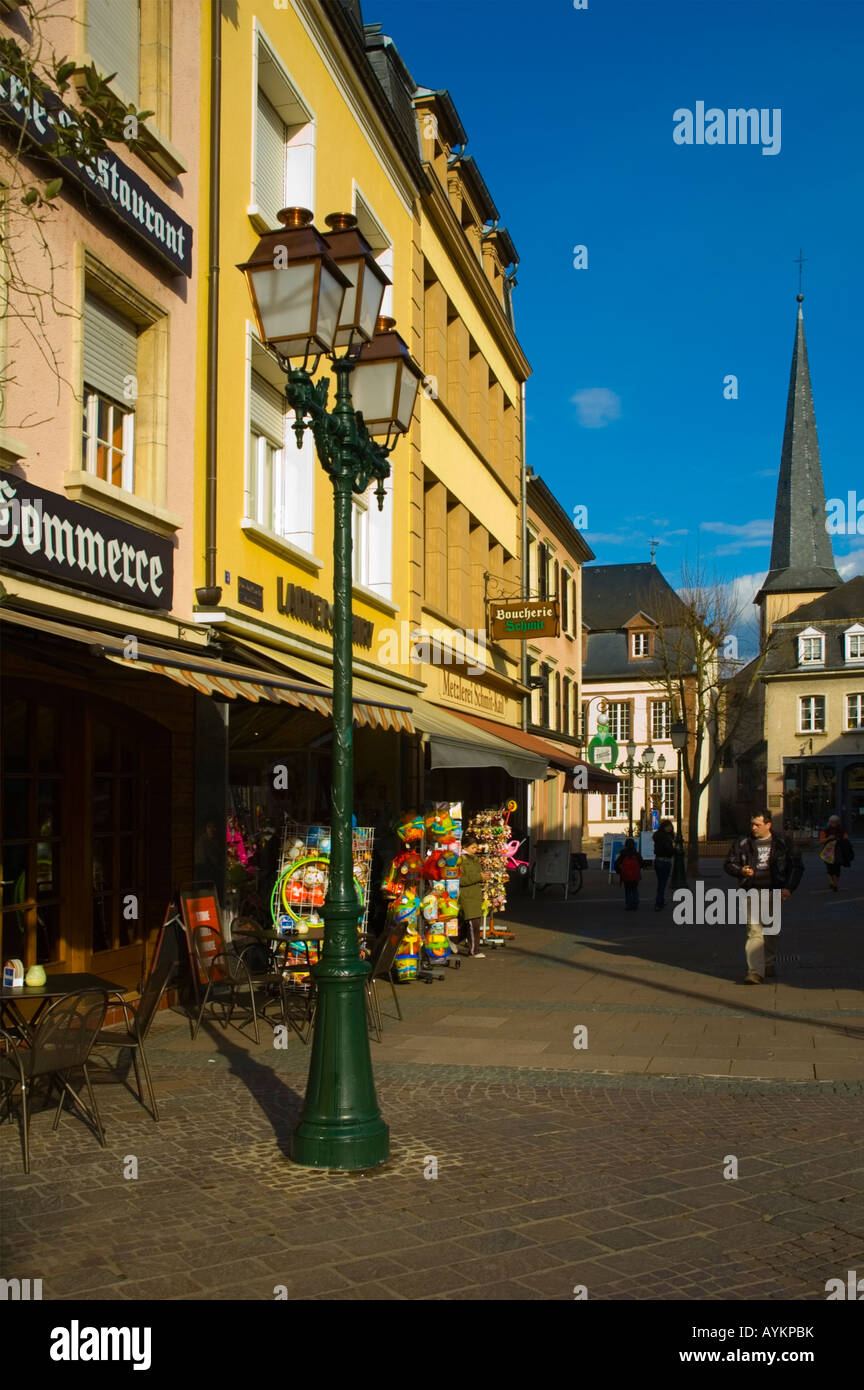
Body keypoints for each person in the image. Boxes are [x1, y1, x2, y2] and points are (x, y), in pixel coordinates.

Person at [724, 810, 804, 985]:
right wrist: (741, 870)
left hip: (774, 891)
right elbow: (729, 863)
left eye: (757, 824)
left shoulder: (783, 842)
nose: (753, 827)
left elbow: (796, 866)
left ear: (768, 824)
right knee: (754, 931)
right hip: (751, 891)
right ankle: (755, 971)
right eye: (752, 824)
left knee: (771, 931)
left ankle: (768, 963)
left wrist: (789, 888)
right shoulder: (743, 842)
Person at [457, 833, 485, 957]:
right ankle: (474, 950)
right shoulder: (461, 860)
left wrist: (483, 877)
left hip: (475, 895)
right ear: (465, 846)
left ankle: (452, 941)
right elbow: (461, 880)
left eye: (476, 848)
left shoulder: (474, 859)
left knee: (468, 924)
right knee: (474, 924)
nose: (475, 850)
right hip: (467, 896)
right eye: (473, 847)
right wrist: (479, 877)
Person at [820, 814, 855, 892]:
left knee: (832, 868)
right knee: (834, 869)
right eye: (832, 822)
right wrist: (830, 838)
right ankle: (834, 883)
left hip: (832, 852)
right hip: (833, 852)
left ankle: (834, 884)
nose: (833, 823)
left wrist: (833, 839)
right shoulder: (838, 830)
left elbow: (821, 841)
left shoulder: (826, 830)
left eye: (834, 822)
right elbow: (846, 839)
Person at [614, 837, 644, 911]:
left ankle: (628, 904)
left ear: (625, 845)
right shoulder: (636, 854)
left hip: (626, 875)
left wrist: (619, 871)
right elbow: (642, 863)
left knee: (627, 890)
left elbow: (617, 864)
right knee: (634, 889)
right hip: (635, 875)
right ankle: (635, 903)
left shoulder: (623, 853)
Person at [652, 819, 675, 911]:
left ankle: (660, 899)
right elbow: (668, 849)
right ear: (665, 827)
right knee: (663, 883)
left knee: (661, 882)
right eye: (669, 827)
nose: (670, 828)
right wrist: (674, 851)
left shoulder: (657, 836)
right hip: (665, 861)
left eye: (671, 827)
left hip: (658, 860)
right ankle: (659, 902)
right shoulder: (665, 837)